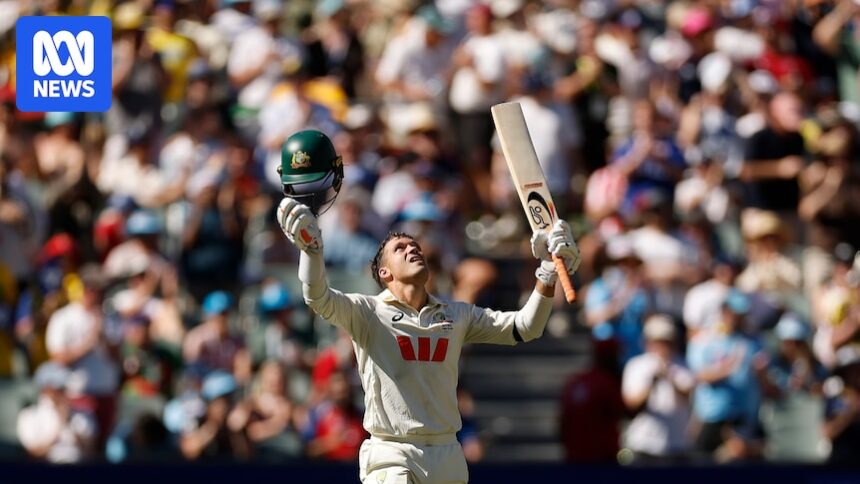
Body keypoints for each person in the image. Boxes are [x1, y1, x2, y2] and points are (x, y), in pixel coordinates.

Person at [275, 130, 580, 483]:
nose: (412, 248)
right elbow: (317, 296)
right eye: (400, 247)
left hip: (448, 454)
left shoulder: (457, 314)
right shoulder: (366, 313)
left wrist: (545, 272)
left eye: (414, 245)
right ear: (384, 273)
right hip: (392, 452)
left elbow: (526, 327)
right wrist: (311, 252)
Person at [622, 315, 695, 464]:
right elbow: (631, 405)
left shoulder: (683, 365)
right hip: (643, 444)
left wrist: (670, 377)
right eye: (658, 341)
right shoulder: (635, 366)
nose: (664, 347)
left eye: (668, 342)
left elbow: (689, 397)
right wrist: (652, 382)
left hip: (676, 445)